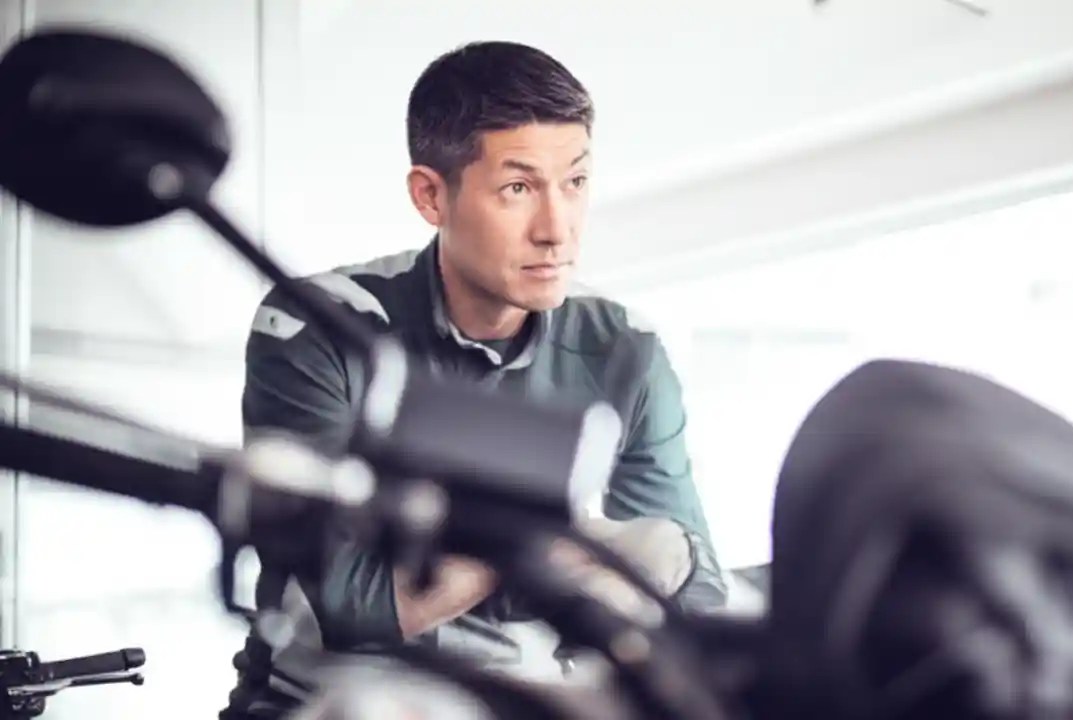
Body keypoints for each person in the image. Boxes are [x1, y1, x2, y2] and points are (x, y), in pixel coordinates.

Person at [219, 41, 726, 718]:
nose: (557, 229)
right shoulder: (321, 326)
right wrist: (549, 545)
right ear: (431, 195)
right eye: (518, 188)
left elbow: (692, 591)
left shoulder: (625, 349)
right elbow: (348, 607)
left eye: (574, 182)